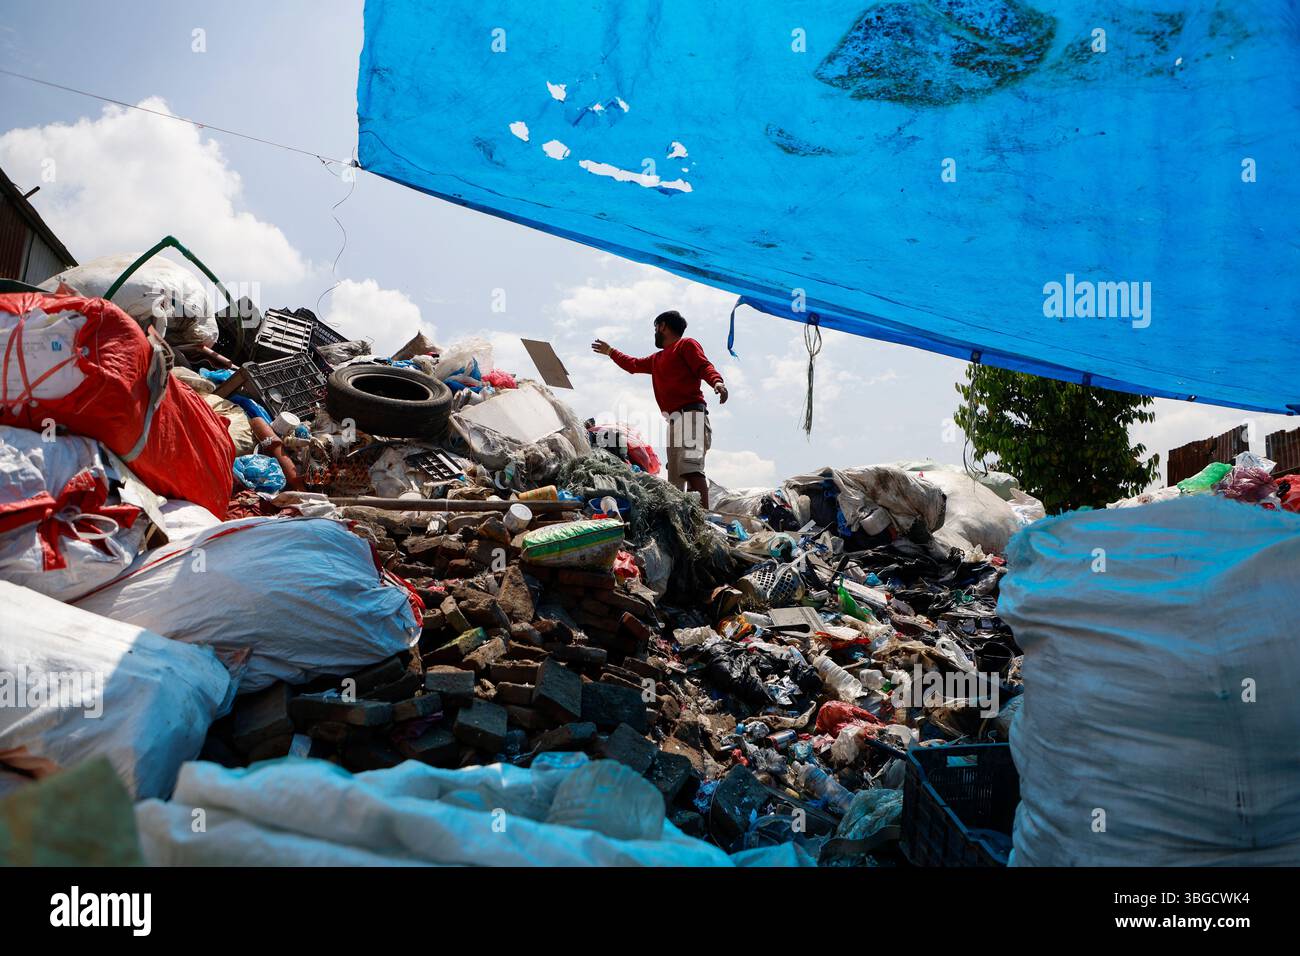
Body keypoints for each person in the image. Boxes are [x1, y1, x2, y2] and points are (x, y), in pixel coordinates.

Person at [592, 310, 727, 507]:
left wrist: (717, 382)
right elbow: (633, 365)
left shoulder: (686, 345)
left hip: (691, 416)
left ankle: (703, 521)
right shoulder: (657, 359)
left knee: (691, 469)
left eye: (655, 327)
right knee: (676, 481)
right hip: (673, 422)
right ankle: (688, 521)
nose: (654, 332)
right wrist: (611, 352)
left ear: (662, 326)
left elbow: (703, 366)